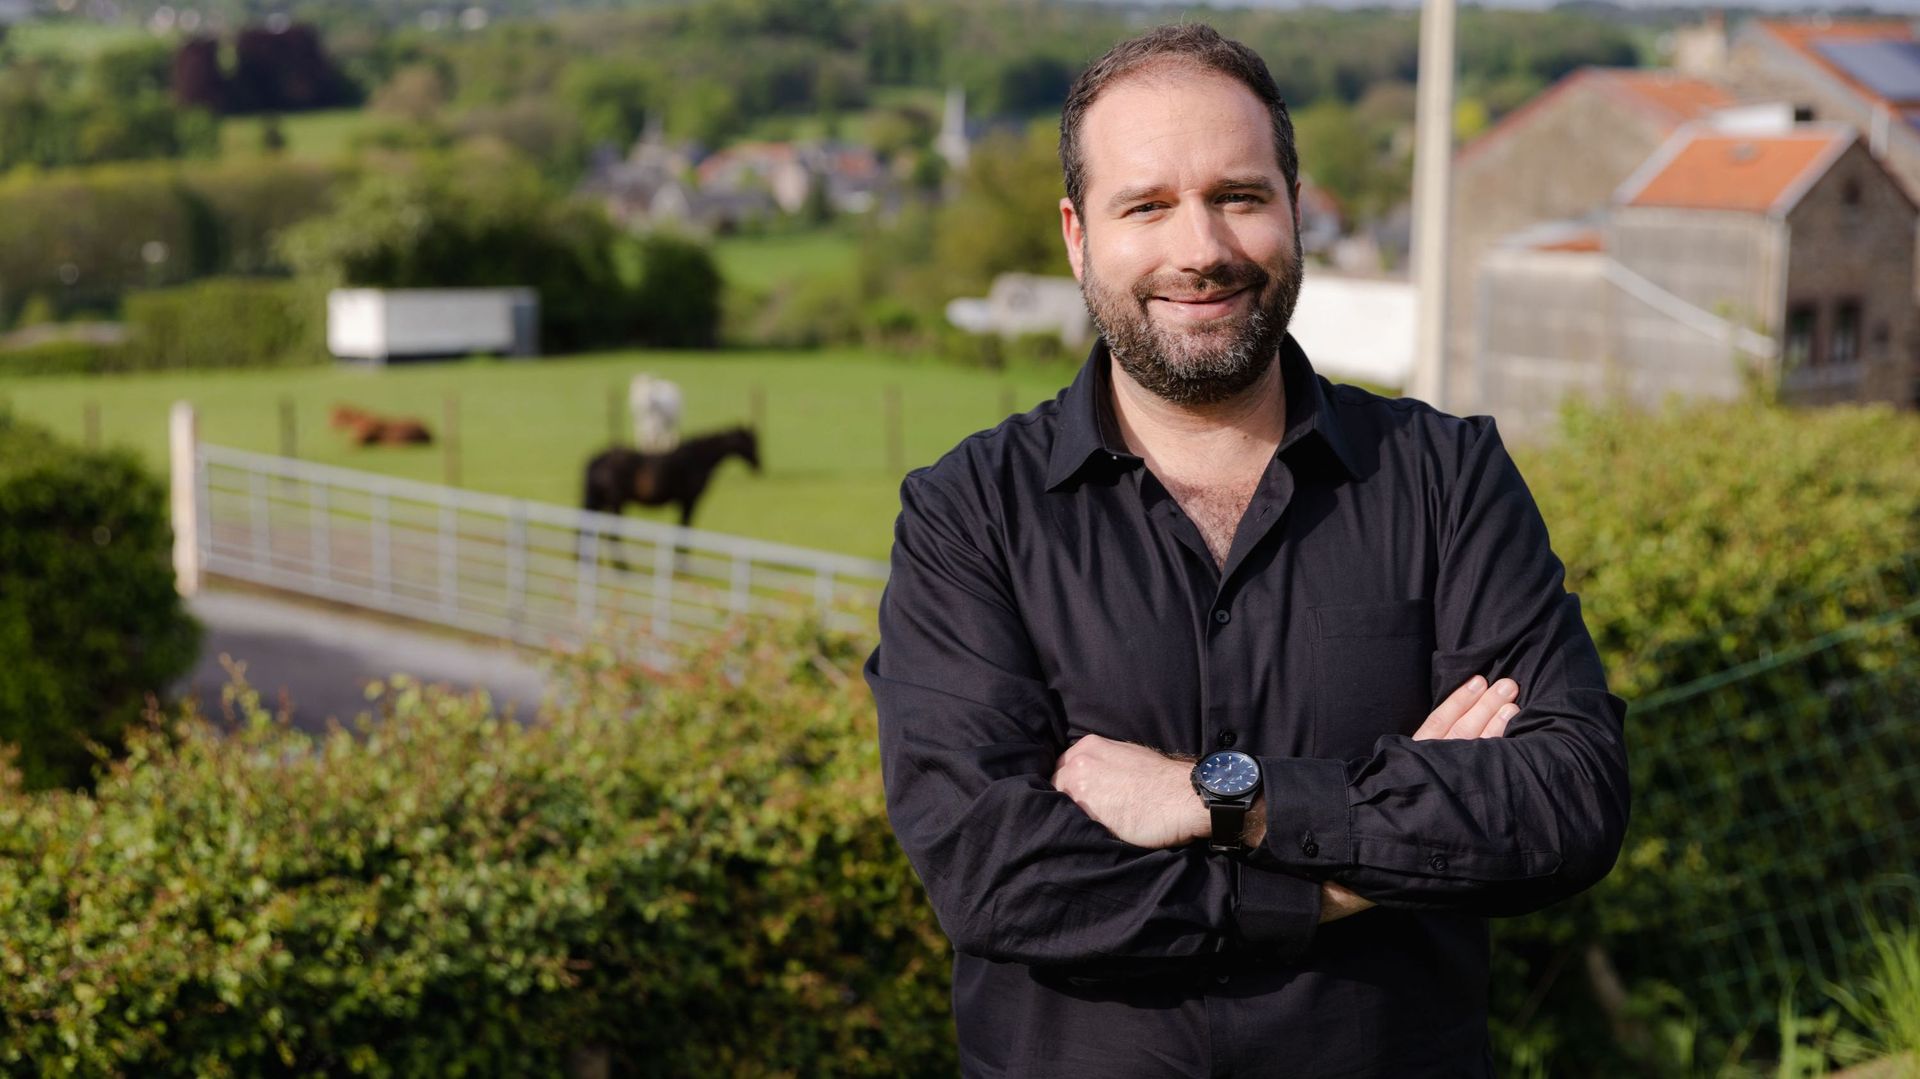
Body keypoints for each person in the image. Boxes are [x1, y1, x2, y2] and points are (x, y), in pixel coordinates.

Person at [863, 23, 1629, 1079]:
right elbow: (998, 874)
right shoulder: (970, 515)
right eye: (1148, 205)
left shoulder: (1446, 478)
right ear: (1079, 236)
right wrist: (1352, 868)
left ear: (1295, 209)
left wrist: (1231, 797)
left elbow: (1566, 797)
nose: (1202, 248)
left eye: (1238, 195)